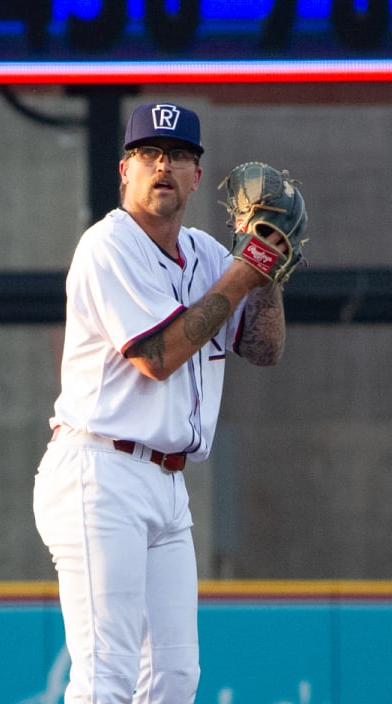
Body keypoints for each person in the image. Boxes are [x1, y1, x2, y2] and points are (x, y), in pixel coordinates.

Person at [33, 102, 289, 702]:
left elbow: (263, 346)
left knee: (175, 680)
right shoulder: (108, 246)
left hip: (167, 486)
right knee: (106, 676)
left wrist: (269, 270)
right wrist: (243, 272)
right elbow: (156, 356)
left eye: (178, 155)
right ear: (126, 169)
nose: (163, 166)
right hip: (100, 474)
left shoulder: (203, 253)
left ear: (198, 176)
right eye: (149, 153)